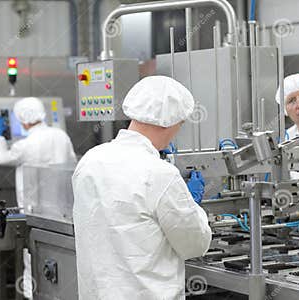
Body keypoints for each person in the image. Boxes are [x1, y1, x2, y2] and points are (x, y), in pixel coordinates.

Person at [72, 76, 212, 300]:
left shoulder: (91, 160)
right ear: (170, 123)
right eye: (181, 123)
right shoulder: (160, 174)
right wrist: (193, 207)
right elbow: (194, 244)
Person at [0, 97, 77, 299]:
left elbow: (2, 158)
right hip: (63, 211)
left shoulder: (27, 144)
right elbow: (72, 163)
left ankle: (34, 295)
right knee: (63, 260)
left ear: (23, 119)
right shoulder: (60, 135)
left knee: (34, 259)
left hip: (34, 212)